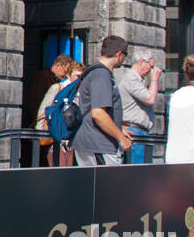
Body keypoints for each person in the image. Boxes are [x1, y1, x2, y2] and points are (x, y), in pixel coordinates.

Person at [71, 35, 132, 167]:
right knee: (109, 186)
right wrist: (121, 138)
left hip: (91, 142)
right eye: (125, 55)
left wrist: (117, 129)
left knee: (93, 186)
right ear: (119, 54)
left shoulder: (94, 71)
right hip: (98, 144)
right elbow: (98, 114)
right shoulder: (101, 75)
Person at [116, 49, 161, 164]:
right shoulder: (131, 78)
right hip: (134, 131)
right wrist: (155, 79)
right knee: (137, 173)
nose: (152, 70)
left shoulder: (137, 80)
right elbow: (150, 99)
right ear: (142, 62)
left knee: (142, 172)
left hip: (140, 132)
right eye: (151, 66)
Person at [36, 58, 84, 166]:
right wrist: (40, 131)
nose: (79, 80)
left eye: (81, 77)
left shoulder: (80, 91)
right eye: (77, 76)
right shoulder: (58, 88)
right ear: (69, 75)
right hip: (57, 135)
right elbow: (44, 109)